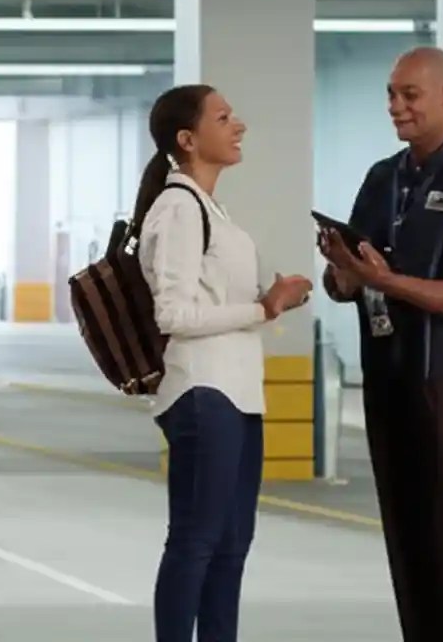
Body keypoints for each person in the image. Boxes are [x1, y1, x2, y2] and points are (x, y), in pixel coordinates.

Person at [318, 45, 443, 642]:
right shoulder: (383, 179)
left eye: (410, 95)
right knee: (405, 524)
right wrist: (345, 274)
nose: (395, 106)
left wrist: (385, 280)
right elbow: (346, 281)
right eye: (391, 94)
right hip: (388, 373)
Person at [134, 83, 313, 642]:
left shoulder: (212, 209)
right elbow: (174, 314)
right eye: (223, 117)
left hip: (238, 394)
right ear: (188, 139)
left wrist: (274, 296)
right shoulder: (179, 208)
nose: (238, 125)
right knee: (195, 540)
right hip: (202, 392)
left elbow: (213, 301)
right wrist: (262, 306)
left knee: (232, 545)